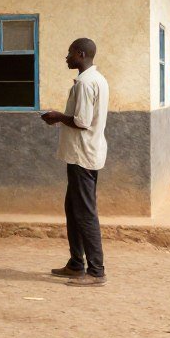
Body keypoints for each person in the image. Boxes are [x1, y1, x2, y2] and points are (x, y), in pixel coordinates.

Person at [41, 38, 110, 287]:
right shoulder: (96, 79)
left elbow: (82, 121)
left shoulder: (85, 82)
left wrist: (57, 116)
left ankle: (96, 271)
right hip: (85, 153)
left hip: (82, 155)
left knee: (84, 212)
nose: (67, 58)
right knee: (73, 208)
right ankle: (76, 264)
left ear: (81, 54)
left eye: (70, 53)